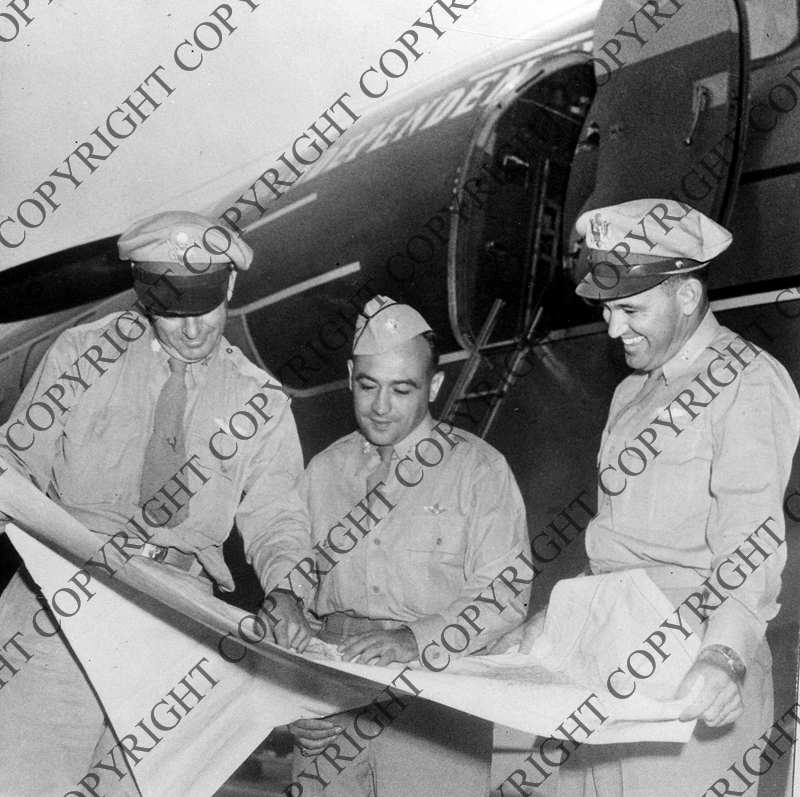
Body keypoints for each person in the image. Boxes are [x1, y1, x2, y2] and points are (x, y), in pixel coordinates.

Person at [0, 211, 312, 795]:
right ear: (145, 297)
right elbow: (16, 461)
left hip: (178, 622)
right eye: (173, 311)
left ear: (230, 289)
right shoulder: (81, 354)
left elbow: (278, 515)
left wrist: (289, 589)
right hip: (59, 605)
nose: (193, 329)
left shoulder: (260, 401)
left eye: (207, 305)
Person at [520, 199, 800, 795]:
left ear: (687, 294)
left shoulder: (745, 379)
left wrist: (723, 659)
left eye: (630, 308)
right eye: (607, 311)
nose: (615, 328)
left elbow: (750, 543)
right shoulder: (630, 395)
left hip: (689, 662)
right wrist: (555, 622)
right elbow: (617, 551)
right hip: (603, 655)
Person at [287, 296, 532, 796]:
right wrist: (286, 699)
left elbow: (505, 594)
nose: (380, 406)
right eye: (367, 385)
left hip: (437, 709)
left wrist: (414, 640)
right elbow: (288, 602)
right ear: (350, 374)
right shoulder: (322, 474)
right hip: (330, 702)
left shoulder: (478, 470)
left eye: (402, 389)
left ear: (435, 386)